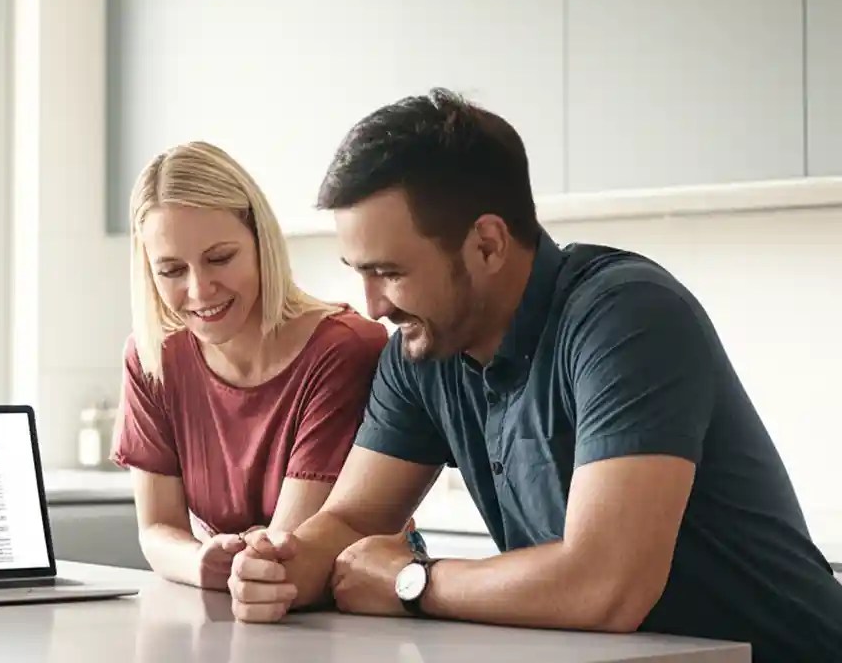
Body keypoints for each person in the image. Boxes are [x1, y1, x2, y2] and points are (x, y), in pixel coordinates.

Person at [226, 89, 842, 661]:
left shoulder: (628, 318)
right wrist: (279, 568)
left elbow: (606, 586)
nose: (372, 305)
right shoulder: (424, 349)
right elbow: (354, 523)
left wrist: (414, 580)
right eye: (358, 271)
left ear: (488, 245)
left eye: (388, 271)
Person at [111, 141, 390, 592]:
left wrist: (230, 566)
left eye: (220, 258)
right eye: (171, 270)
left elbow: (288, 550)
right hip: (241, 604)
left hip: (350, 611)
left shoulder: (344, 349)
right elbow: (158, 530)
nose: (200, 290)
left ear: (262, 243)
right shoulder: (152, 359)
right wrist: (201, 561)